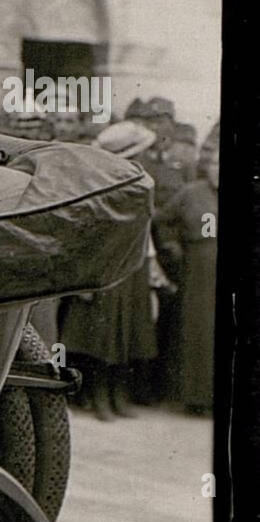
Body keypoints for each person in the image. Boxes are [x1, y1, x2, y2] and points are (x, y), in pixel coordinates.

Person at [58, 121, 160, 420]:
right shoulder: (101, 183)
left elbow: (146, 225)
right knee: (102, 334)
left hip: (134, 265)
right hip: (108, 263)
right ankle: (98, 394)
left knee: (127, 332)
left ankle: (118, 394)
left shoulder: (142, 182)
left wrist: (151, 262)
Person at [153, 152, 218, 415]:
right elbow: (161, 219)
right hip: (200, 267)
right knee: (200, 330)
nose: (218, 169)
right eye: (215, 163)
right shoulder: (191, 192)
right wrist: (172, 244)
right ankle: (197, 398)